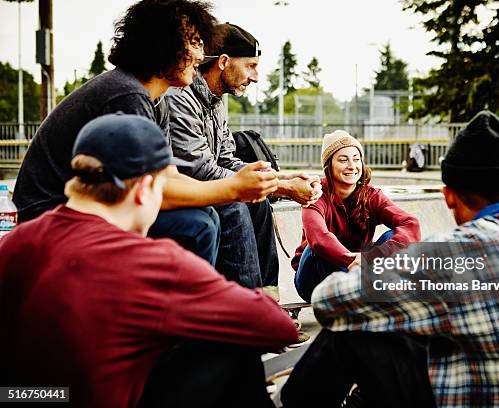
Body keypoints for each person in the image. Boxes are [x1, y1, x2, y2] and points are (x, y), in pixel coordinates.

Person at [281, 112, 499, 407]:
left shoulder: (444, 256)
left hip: (468, 390)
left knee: (354, 333)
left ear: (449, 197)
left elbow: (328, 302)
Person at [0, 113, 298, 408]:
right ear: (144, 190)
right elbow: (275, 327)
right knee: (232, 349)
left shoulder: (14, 242)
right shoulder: (148, 261)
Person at [13, 0, 278, 266]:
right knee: (196, 226)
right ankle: (182, 305)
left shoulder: (155, 99)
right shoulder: (127, 95)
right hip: (52, 216)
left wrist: (239, 186)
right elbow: (151, 189)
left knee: (206, 216)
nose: (201, 55)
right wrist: (234, 188)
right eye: (195, 42)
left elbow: (167, 176)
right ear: (165, 45)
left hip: (85, 209)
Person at [167, 22, 321, 289]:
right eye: (251, 66)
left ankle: (268, 302)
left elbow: (226, 160)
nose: (256, 77)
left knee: (257, 202)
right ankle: (249, 313)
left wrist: (282, 177)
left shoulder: (216, 104)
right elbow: (199, 170)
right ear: (224, 62)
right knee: (236, 205)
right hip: (182, 192)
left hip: (202, 186)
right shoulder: (180, 97)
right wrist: (282, 186)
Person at [291, 130, 421, 302]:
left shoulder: (371, 195)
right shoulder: (315, 193)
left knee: (393, 236)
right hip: (314, 281)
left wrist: (372, 257)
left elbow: (410, 224)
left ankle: (368, 290)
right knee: (315, 248)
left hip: (361, 273)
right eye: (343, 160)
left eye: (356, 159)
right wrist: (351, 262)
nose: (352, 166)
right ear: (329, 166)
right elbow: (319, 239)